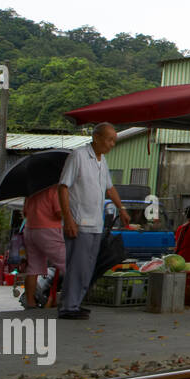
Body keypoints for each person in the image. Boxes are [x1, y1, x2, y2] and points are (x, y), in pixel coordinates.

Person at [57, 123, 131, 320]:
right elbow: (63, 187)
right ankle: (68, 306)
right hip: (79, 221)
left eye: (114, 140)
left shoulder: (102, 161)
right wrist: (68, 218)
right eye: (109, 139)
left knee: (89, 266)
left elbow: (110, 187)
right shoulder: (78, 156)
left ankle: (76, 303)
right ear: (96, 137)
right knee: (77, 265)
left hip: (96, 223)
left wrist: (121, 208)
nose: (112, 144)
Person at [22, 184, 65, 309]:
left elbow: (25, 212)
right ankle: (71, 302)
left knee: (33, 268)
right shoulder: (53, 189)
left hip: (30, 229)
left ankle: (30, 302)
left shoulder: (31, 191)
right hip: (49, 230)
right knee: (68, 263)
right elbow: (58, 212)